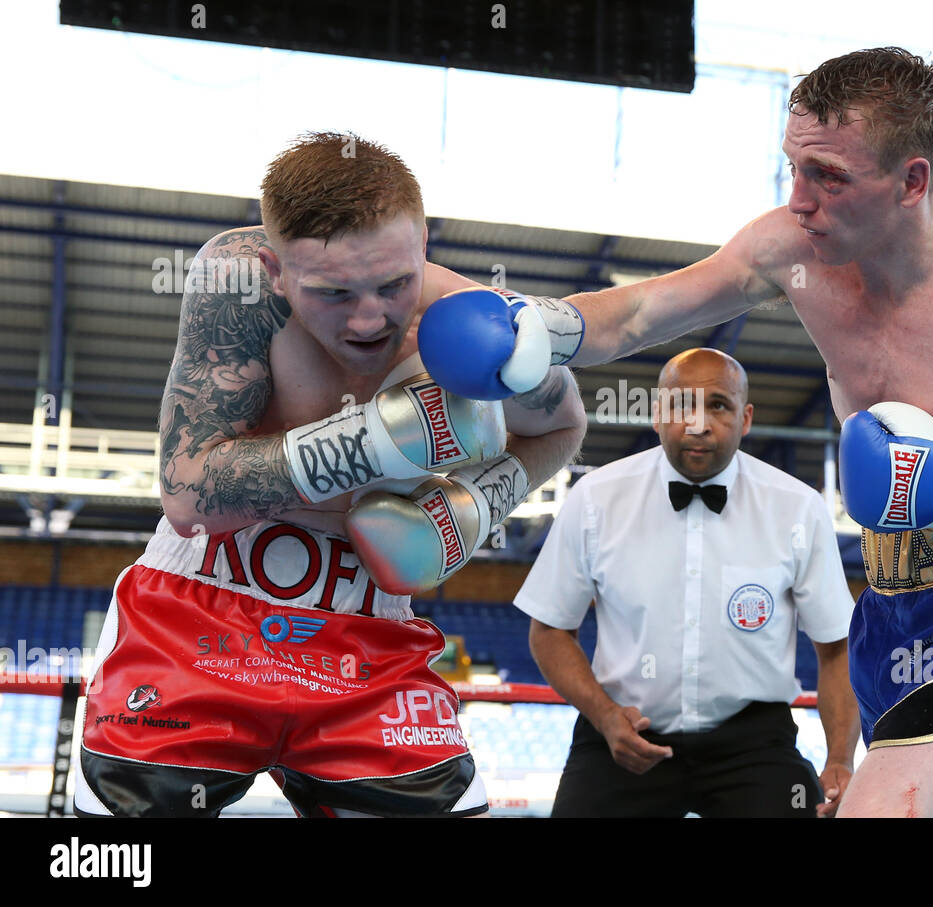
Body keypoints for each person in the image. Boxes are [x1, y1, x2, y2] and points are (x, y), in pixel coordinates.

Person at [420, 48, 933, 817]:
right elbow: (639, 313)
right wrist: (536, 329)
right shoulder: (793, 253)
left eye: (830, 177)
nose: (799, 200)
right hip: (893, 601)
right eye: (793, 167)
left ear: (912, 180)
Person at [73, 132, 586, 818]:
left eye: (393, 284)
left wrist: (471, 508)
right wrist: (378, 440)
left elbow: (567, 417)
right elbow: (189, 495)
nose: (370, 316)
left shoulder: (479, 321)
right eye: (333, 291)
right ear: (275, 268)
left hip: (368, 630)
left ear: (423, 242)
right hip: (200, 607)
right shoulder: (238, 279)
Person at [514, 349, 858, 817]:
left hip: (754, 746)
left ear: (746, 417)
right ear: (657, 415)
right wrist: (604, 716)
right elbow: (549, 630)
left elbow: (836, 646)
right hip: (621, 734)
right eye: (680, 405)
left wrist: (839, 759)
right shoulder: (596, 499)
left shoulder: (797, 508)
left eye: (718, 405)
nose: (698, 424)